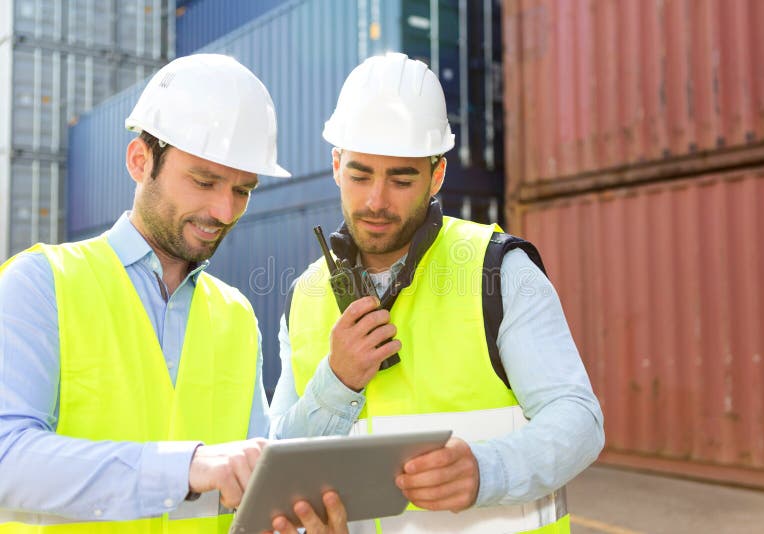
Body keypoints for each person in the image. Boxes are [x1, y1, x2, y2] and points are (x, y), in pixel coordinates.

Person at [0, 53, 347, 534]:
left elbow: (245, 492)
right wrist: (187, 468)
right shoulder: (41, 284)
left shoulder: (236, 316)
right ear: (140, 161)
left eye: (243, 190)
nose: (224, 210)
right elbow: (7, 457)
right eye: (203, 181)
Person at [269, 52, 605, 534]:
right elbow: (278, 457)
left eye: (401, 178)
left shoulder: (499, 271)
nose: (376, 201)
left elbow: (579, 421)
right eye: (361, 175)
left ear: (436, 175)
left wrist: (487, 471)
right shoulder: (304, 296)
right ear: (337, 166)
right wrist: (337, 383)